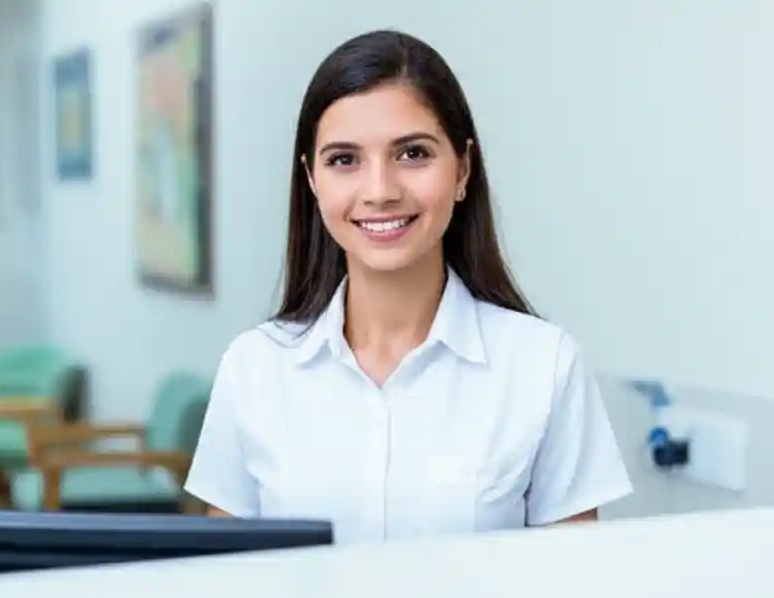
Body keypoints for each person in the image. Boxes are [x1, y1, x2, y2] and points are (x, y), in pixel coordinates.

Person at [184, 30, 632, 542]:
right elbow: (226, 587)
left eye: (413, 154)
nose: (380, 192)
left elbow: (572, 595)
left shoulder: (543, 366)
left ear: (463, 168)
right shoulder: (255, 367)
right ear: (312, 181)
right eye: (344, 160)